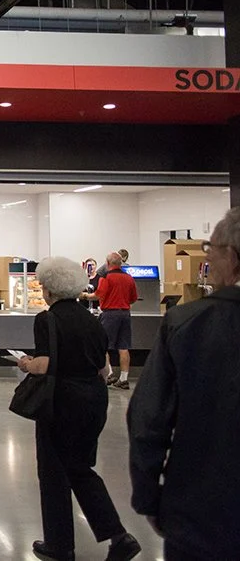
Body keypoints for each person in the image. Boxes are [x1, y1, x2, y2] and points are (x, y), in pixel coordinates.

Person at [128, 207, 240, 560]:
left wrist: (148, 496)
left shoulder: (186, 323)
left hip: (204, 513)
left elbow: (148, 420)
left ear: (232, 257)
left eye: (211, 251)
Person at [16, 257, 141, 561]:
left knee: (53, 471)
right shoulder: (92, 319)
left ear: (50, 288)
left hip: (62, 400)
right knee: (80, 468)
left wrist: (25, 363)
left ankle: (59, 544)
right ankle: (118, 536)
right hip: (94, 399)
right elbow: (102, 366)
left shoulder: (47, 319)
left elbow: (45, 364)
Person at [95, 252, 138, 389]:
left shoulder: (106, 277)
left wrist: (83, 295)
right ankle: (124, 379)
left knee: (103, 345)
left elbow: (98, 295)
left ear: (107, 264)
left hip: (109, 314)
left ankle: (108, 375)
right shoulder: (129, 278)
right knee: (123, 347)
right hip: (125, 314)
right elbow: (133, 298)